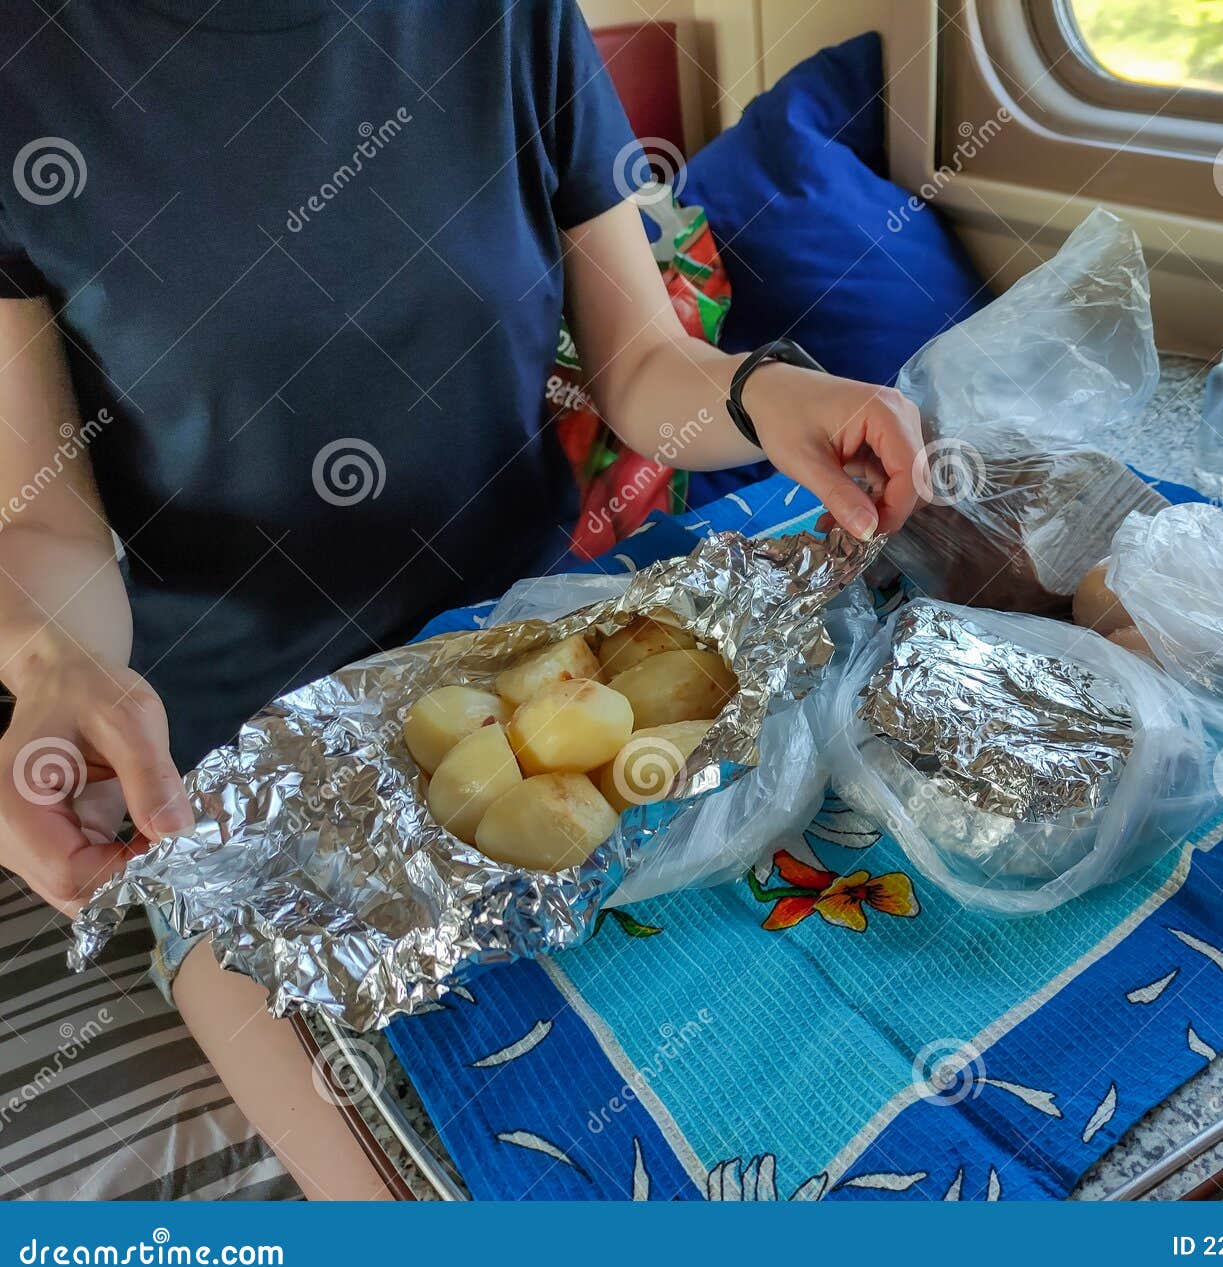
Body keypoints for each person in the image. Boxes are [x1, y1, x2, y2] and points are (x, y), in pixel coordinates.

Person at [0, 0, 921, 1198]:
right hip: (231, 779)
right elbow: (44, 516)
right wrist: (46, 664)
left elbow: (640, 365)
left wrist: (762, 395)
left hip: (549, 669)